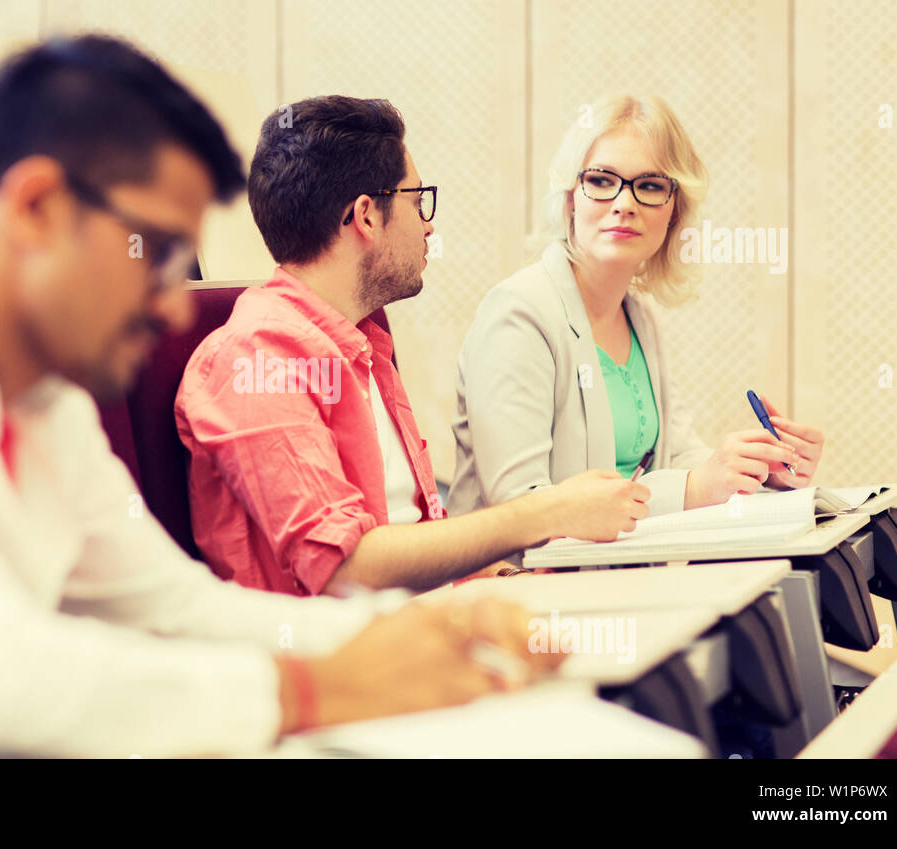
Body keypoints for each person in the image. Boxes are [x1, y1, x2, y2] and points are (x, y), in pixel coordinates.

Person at [0, 37, 557, 758]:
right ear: (35, 207)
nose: (171, 302)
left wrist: (420, 632)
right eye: (152, 253)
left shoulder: (42, 396)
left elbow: (171, 608)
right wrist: (313, 689)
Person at [175, 96, 649, 597]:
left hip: (424, 626)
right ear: (367, 216)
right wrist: (546, 511)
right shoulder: (254, 361)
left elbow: (417, 540)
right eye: (417, 200)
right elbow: (345, 567)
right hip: (340, 659)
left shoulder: (365, 342)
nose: (429, 225)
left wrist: (511, 580)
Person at [449, 94, 824, 518]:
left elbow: (679, 459)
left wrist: (754, 471)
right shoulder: (517, 314)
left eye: (649, 186)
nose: (624, 203)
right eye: (602, 180)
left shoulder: (639, 317)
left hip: (623, 574)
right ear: (571, 197)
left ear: (673, 211)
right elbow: (520, 506)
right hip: (519, 580)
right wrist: (696, 486)